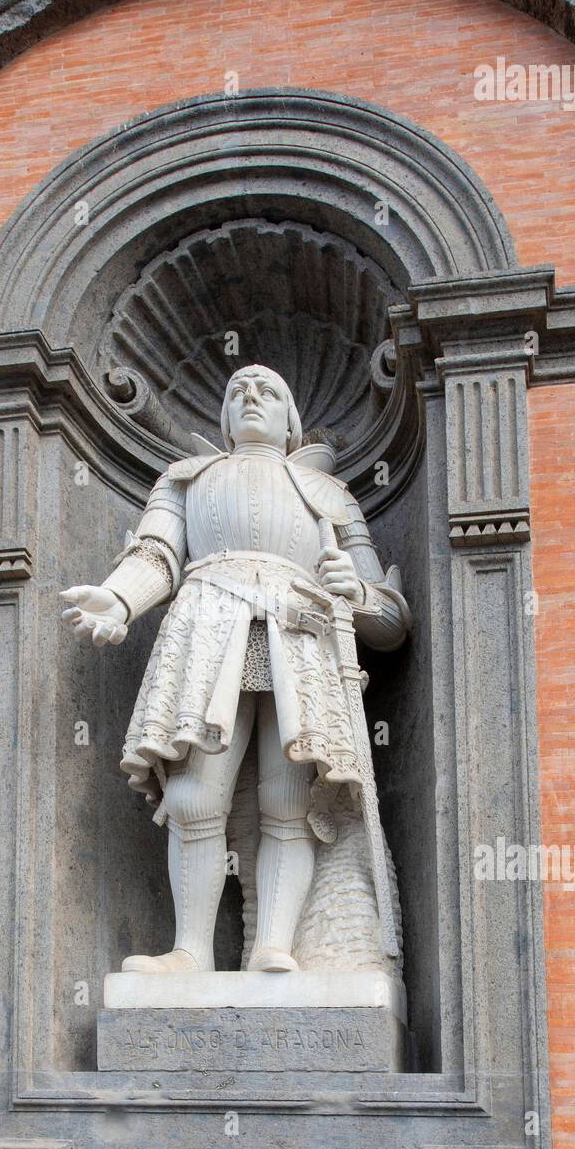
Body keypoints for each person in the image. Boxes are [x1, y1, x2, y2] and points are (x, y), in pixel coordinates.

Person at [61, 365, 410, 973]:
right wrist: (120, 599)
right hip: (208, 626)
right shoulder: (187, 478)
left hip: (301, 636)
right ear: (222, 417)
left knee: (289, 798)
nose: (251, 397)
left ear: (291, 419)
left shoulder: (331, 494)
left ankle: (274, 944)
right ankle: (190, 951)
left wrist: (353, 590)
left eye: (269, 390)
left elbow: (389, 621)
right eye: (237, 391)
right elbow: (158, 553)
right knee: (196, 794)